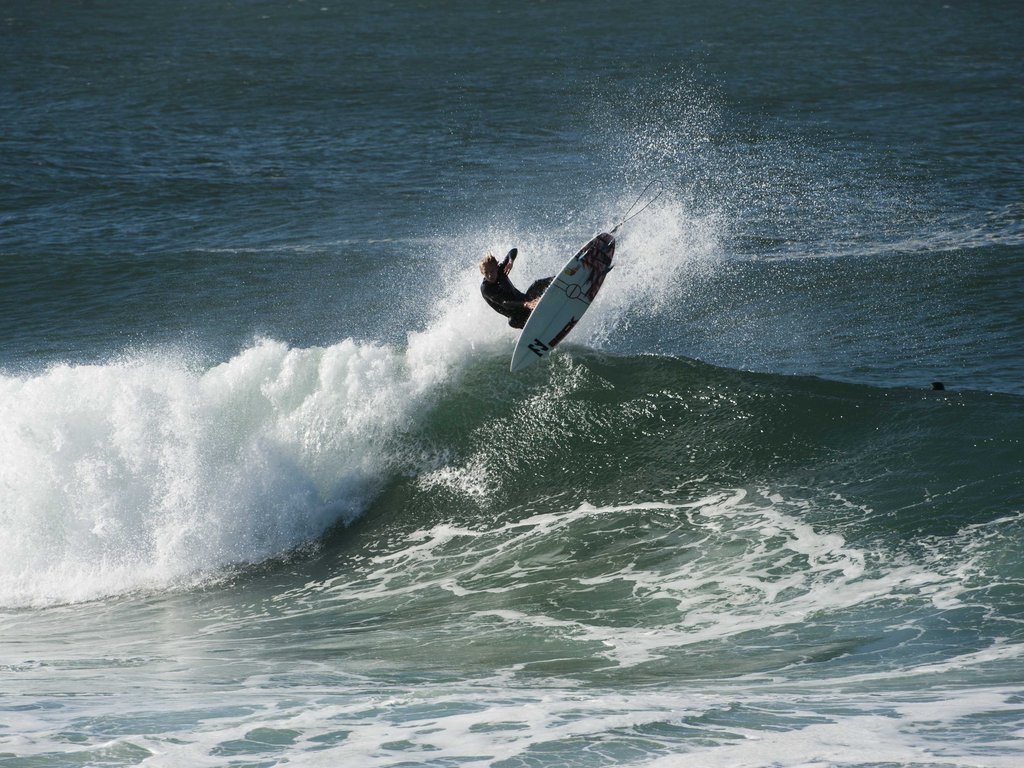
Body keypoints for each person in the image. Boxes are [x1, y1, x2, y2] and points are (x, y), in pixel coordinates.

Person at [479, 248, 553, 329]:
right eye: (486, 273)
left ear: (496, 267)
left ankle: (562, 281)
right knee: (512, 322)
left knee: (537, 284)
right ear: (482, 273)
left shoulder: (501, 270)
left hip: (526, 300)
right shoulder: (486, 289)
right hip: (517, 314)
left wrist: (511, 261)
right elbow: (504, 303)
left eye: (492, 271)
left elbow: (513, 250)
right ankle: (538, 329)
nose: (490, 275)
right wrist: (526, 304)